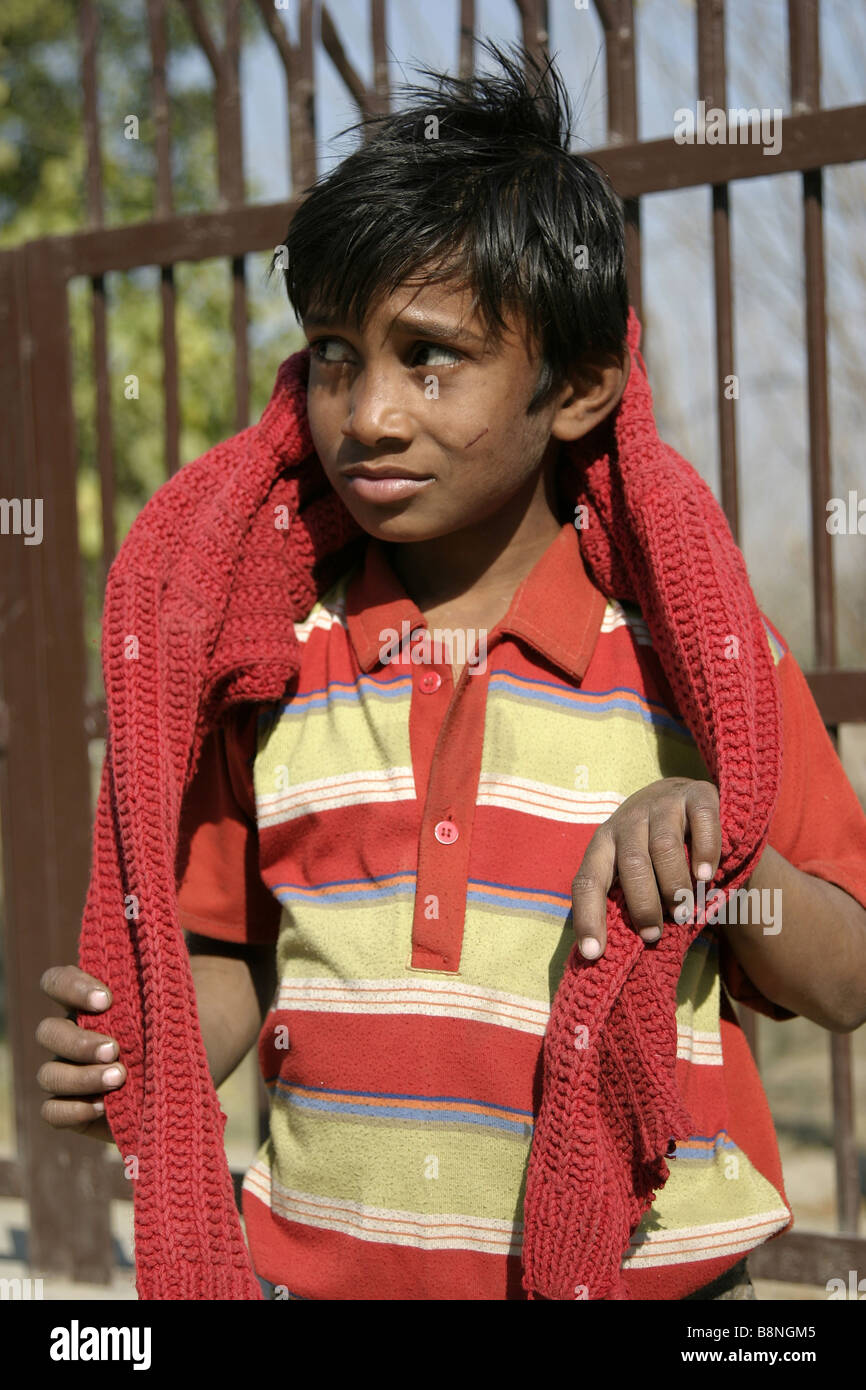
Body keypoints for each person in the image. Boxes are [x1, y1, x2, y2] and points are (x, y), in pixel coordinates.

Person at [36, 43, 866, 1301]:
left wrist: (722, 847)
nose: (366, 412)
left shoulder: (696, 668)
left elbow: (848, 974)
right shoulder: (267, 659)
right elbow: (225, 956)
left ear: (578, 387)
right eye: (332, 353)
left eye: (429, 358)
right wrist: (134, 1054)